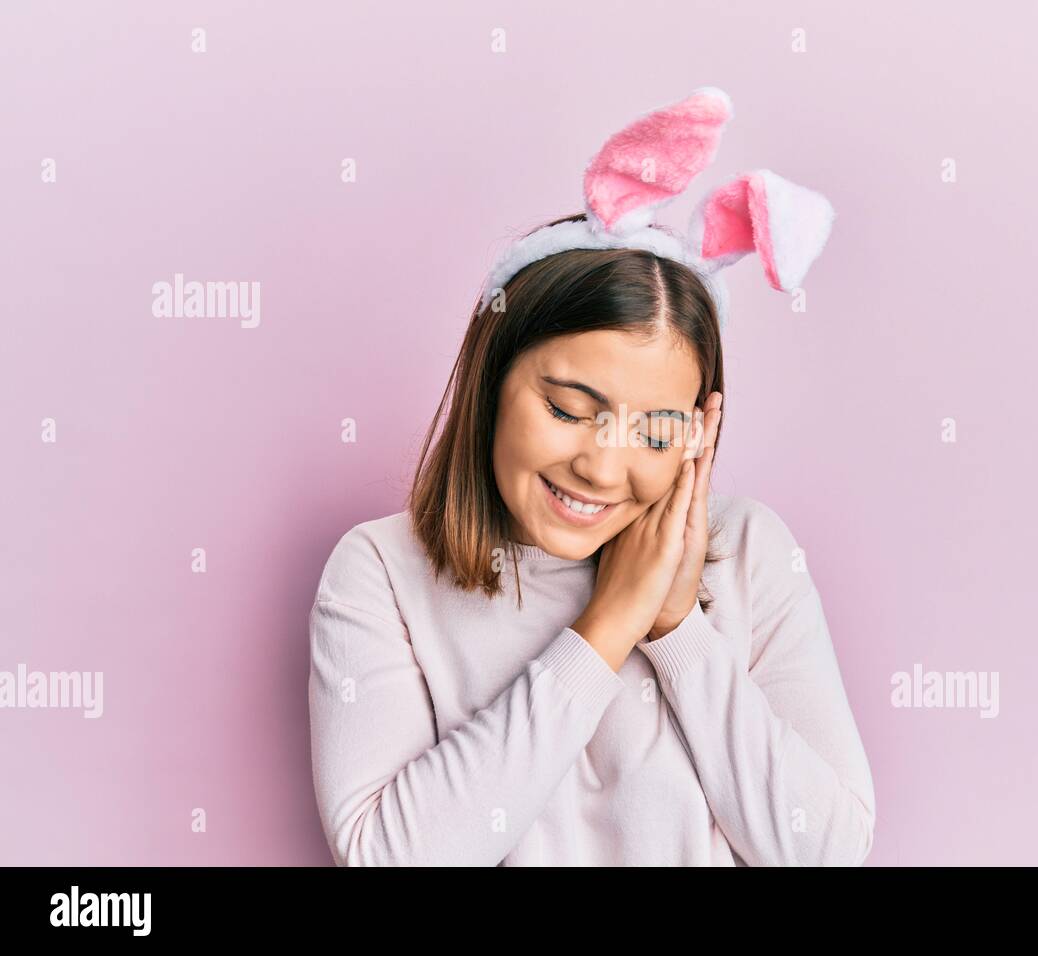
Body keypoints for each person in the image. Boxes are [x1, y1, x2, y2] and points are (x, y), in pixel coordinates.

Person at [307, 88, 875, 866]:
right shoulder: (380, 572)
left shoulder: (748, 553)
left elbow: (828, 851)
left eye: (655, 428)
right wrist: (608, 626)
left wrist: (679, 630)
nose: (603, 465)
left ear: (699, 431)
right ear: (491, 378)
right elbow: (392, 857)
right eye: (570, 409)